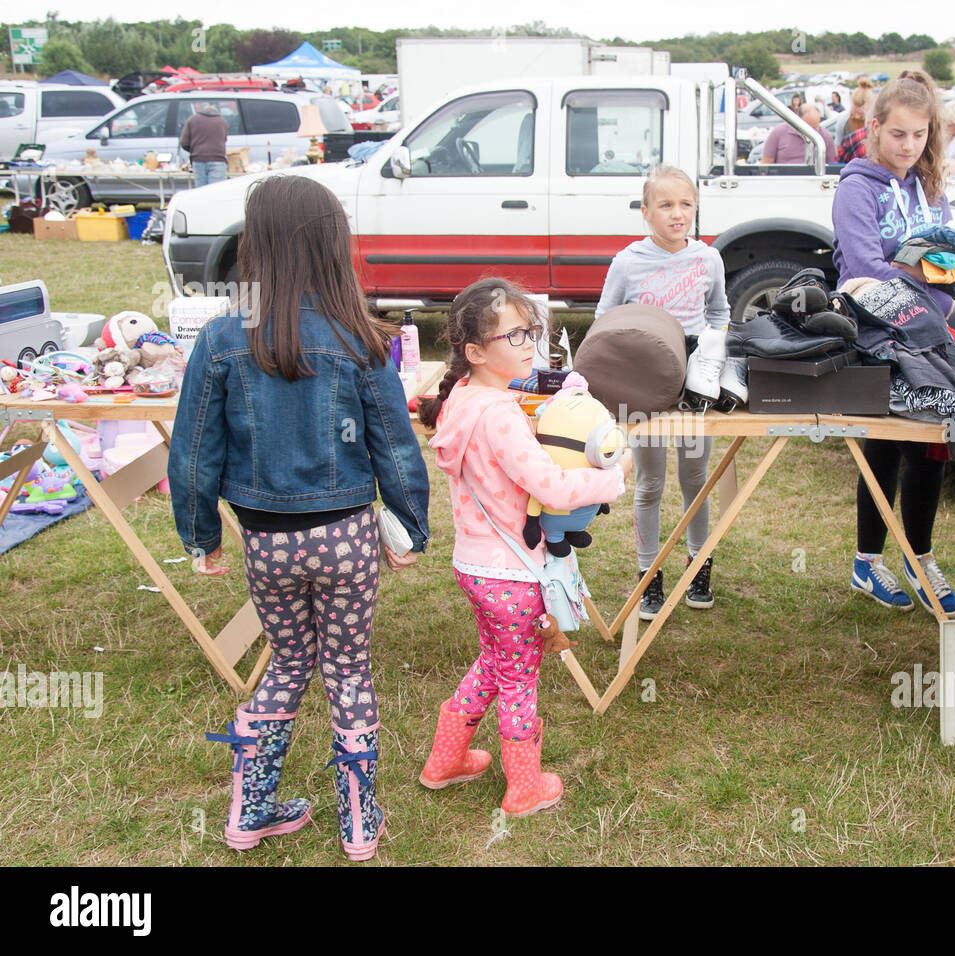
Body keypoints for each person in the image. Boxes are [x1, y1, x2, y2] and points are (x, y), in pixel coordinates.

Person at [171, 175, 431, 862]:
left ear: (255, 244)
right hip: (345, 538)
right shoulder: (357, 338)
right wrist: (409, 526)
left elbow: (194, 449)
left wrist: (200, 535)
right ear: (331, 242)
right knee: (347, 670)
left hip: (266, 544)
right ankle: (359, 822)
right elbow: (395, 446)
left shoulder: (224, 338)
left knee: (288, 661)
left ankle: (251, 810)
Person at [416, 279, 631, 816]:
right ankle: (525, 786)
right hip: (514, 571)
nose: (529, 344)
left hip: (476, 565)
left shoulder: (462, 401)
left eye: (531, 331)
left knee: (494, 663)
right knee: (519, 680)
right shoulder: (502, 416)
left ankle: (446, 760)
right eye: (514, 335)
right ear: (475, 351)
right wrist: (615, 478)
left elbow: (502, 424)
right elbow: (552, 488)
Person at [831, 70, 955, 616]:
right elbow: (867, 272)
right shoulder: (855, 188)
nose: (909, 146)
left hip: (933, 338)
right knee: (885, 445)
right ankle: (868, 561)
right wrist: (925, 272)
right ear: (873, 128)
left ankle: (919, 556)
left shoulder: (931, 187)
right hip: (880, 341)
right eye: (898, 134)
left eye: (919, 135)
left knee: (932, 445)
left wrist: (927, 270)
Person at [596, 165, 730, 620]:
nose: (678, 214)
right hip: (644, 382)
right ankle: (648, 575)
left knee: (695, 478)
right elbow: (604, 318)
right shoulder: (628, 261)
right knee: (650, 481)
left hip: (692, 384)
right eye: (666, 204)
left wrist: (713, 356)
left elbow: (720, 312)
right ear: (646, 211)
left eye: (686, 204)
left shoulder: (708, 259)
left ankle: (699, 566)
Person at [762, 103, 835, 165]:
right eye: (809, 127)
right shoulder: (778, 132)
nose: (812, 131)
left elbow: (831, 165)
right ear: (798, 120)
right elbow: (766, 163)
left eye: (815, 127)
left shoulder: (825, 137)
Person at [179, 101, 228, 188]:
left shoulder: (192, 120)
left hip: (198, 159)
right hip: (218, 159)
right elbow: (224, 140)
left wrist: (195, 150)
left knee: (200, 191)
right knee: (216, 190)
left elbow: (184, 143)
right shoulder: (222, 121)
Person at [837, 79, 874, 162]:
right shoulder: (843, 120)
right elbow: (839, 151)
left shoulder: (876, 123)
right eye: (854, 113)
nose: (857, 117)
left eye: (861, 115)